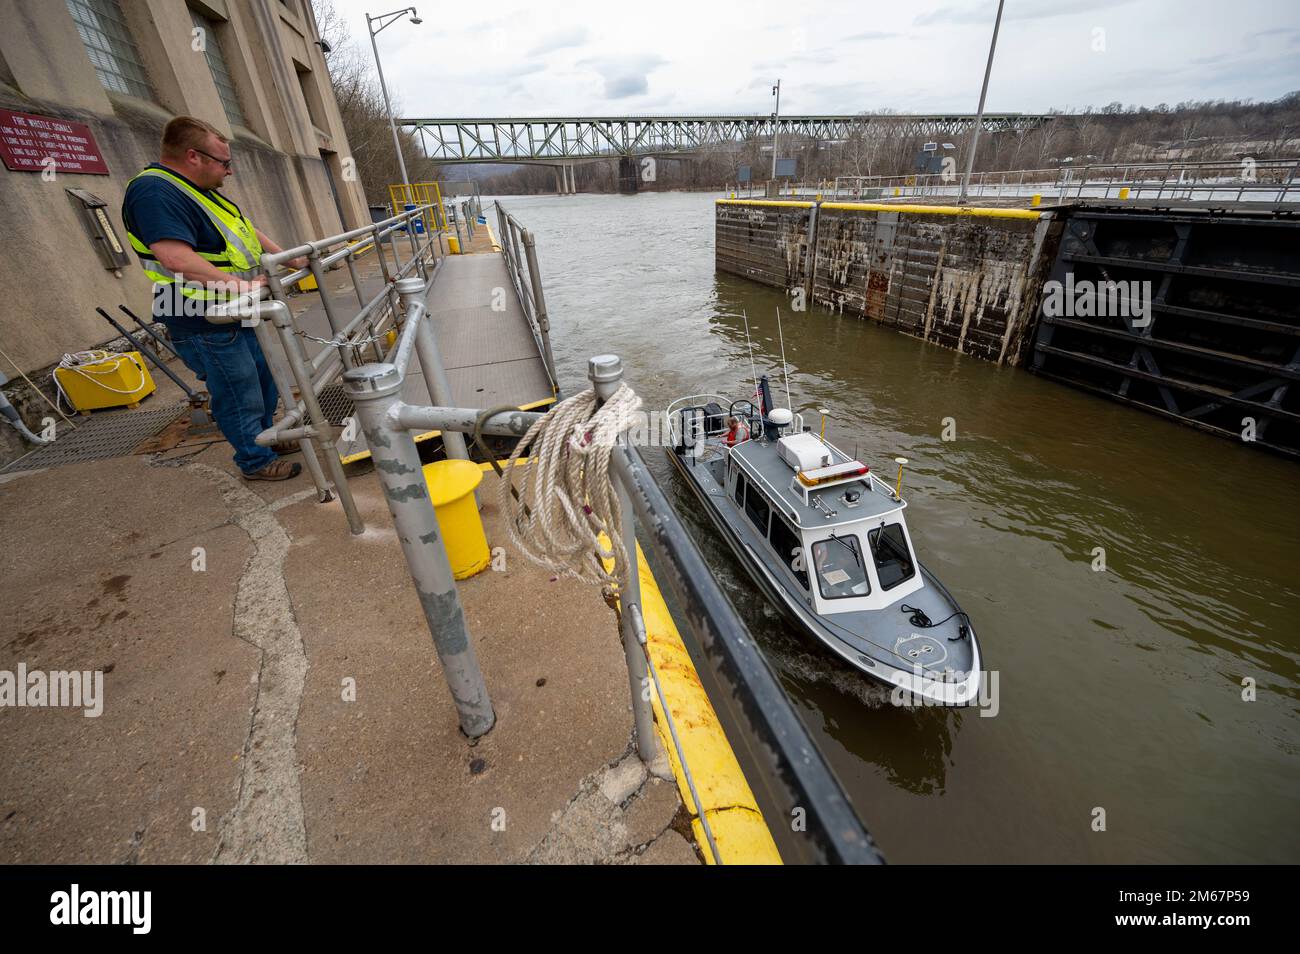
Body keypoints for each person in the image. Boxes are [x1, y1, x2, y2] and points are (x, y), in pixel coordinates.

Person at [122, 116, 307, 481]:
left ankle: (266, 437)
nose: (229, 171)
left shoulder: (198, 192)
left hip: (234, 310)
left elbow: (244, 229)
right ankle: (255, 460)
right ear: (194, 156)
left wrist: (288, 257)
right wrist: (239, 286)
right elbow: (175, 257)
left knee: (262, 380)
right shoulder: (154, 192)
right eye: (224, 163)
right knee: (239, 391)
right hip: (201, 316)